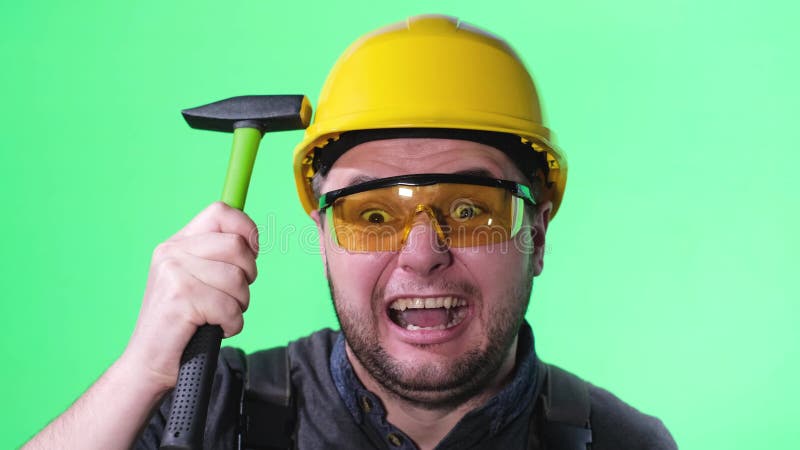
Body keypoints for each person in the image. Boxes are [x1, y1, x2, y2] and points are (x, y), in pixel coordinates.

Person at [25, 15, 677, 450]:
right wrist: (139, 371)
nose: (423, 255)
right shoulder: (209, 411)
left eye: (472, 210)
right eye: (371, 215)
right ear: (322, 237)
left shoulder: (621, 440)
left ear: (538, 230)